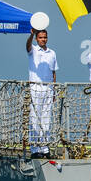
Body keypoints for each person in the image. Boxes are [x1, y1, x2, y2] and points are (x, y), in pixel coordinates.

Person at [26, 27, 57, 157]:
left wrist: (54, 90)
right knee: (34, 118)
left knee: (46, 119)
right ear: (37, 39)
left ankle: (44, 148)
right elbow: (27, 46)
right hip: (35, 87)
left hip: (48, 88)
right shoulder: (33, 50)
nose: (43, 40)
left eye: (45, 37)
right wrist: (31, 35)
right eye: (40, 37)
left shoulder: (52, 53)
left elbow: (54, 72)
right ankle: (34, 149)